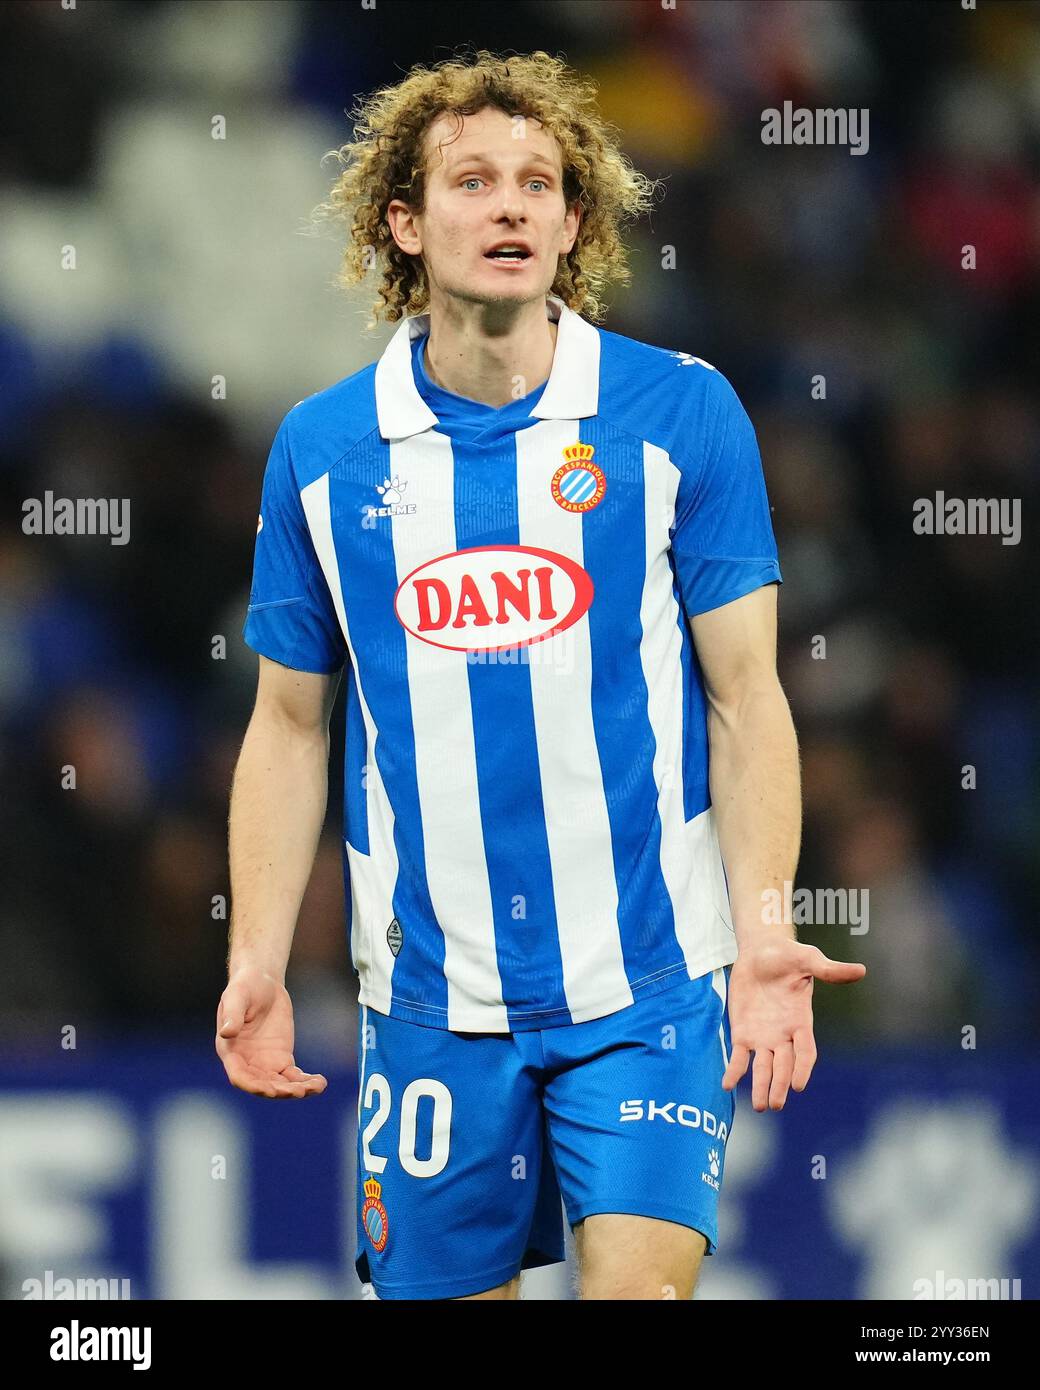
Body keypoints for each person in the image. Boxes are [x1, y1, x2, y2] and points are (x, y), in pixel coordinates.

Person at [216, 49, 865, 1301]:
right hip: (427, 998)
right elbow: (290, 727)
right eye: (469, 181)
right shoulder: (321, 450)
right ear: (403, 223)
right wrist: (255, 956)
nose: (507, 205)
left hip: (648, 982)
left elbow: (746, 698)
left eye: (536, 183)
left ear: (575, 223)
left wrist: (768, 927)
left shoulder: (681, 413)